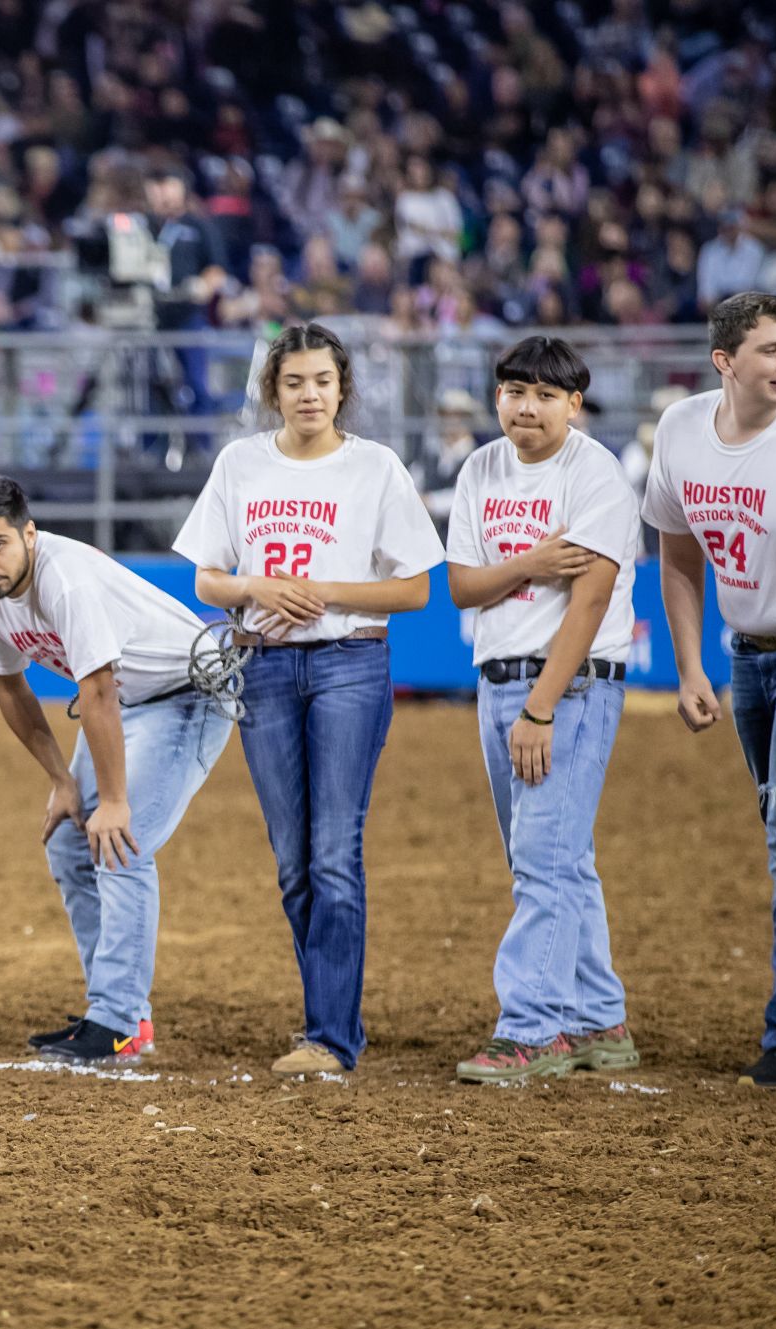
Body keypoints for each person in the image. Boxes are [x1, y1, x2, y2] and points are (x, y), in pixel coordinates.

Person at [174, 322, 445, 1075]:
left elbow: (416, 587)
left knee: (331, 854)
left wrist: (321, 591)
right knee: (294, 865)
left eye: (322, 381)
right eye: (293, 382)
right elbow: (208, 579)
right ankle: (329, 1018)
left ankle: (329, 1035)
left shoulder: (375, 468)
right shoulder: (239, 464)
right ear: (273, 391)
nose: (309, 395)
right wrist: (257, 586)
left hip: (349, 665)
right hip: (262, 666)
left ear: (342, 387)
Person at [0, 473, 236, 1066]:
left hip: (189, 693)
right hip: (126, 704)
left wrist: (116, 801)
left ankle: (117, 1021)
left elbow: (96, 690)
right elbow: (10, 687)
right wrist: (61, 781)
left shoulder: (66, 580)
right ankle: (124, 1014)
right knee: (71, 848)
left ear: (29, 533)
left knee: (118, 842)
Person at [445, 336, 643, 1083]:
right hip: (500, 680)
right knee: (558, 860)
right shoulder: (480, 467)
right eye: (513, 390)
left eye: (544, 394)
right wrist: (529, 563)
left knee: (543, 864)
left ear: (573, 404)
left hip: (569, 687)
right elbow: (463, 586)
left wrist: (541, 706)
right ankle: (598, 1020)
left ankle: (532, 1028)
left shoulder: (595, 473)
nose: (525, 406)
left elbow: (590, 598)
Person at [644, 291, 776, 1090]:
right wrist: (690, 666)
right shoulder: (683, 430)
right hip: (747, 661)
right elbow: (679, 552)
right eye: (770, 350)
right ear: (725, 362)